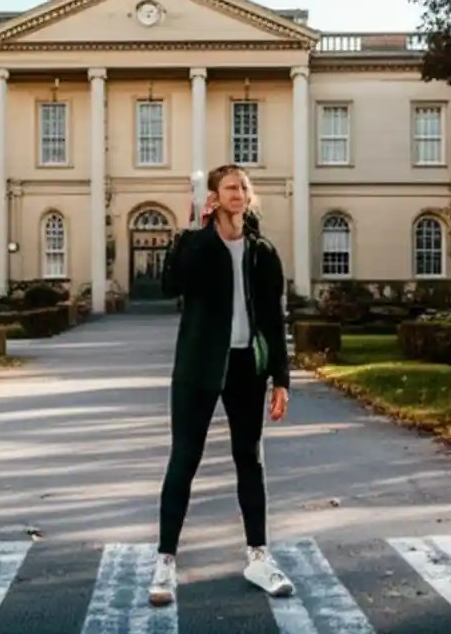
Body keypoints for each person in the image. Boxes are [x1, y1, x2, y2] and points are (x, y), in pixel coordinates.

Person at [148, 164, 293, 607]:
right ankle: (165, 563)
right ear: (214, 196)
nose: (239, 192)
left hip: (247, 367)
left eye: (243, 187)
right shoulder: (198, 245)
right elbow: (169, 285)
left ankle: (259, 557)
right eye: (230, 186)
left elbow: (273, 318)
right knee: (184, 460)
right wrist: (192, 227)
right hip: (197, 368)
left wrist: (281, 378)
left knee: (250, 460)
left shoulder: (262, 252)